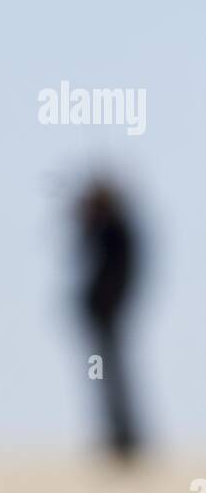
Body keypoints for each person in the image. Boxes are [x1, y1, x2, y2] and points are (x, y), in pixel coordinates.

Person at [76, 180, 141, 461]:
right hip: (103, 313)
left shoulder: (115, 230)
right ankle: (118, 437)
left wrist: (108, 303)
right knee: (107, 378)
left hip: (108, 312)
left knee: (113, 378)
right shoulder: (107, 229)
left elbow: (119, 272)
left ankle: (124, 438)